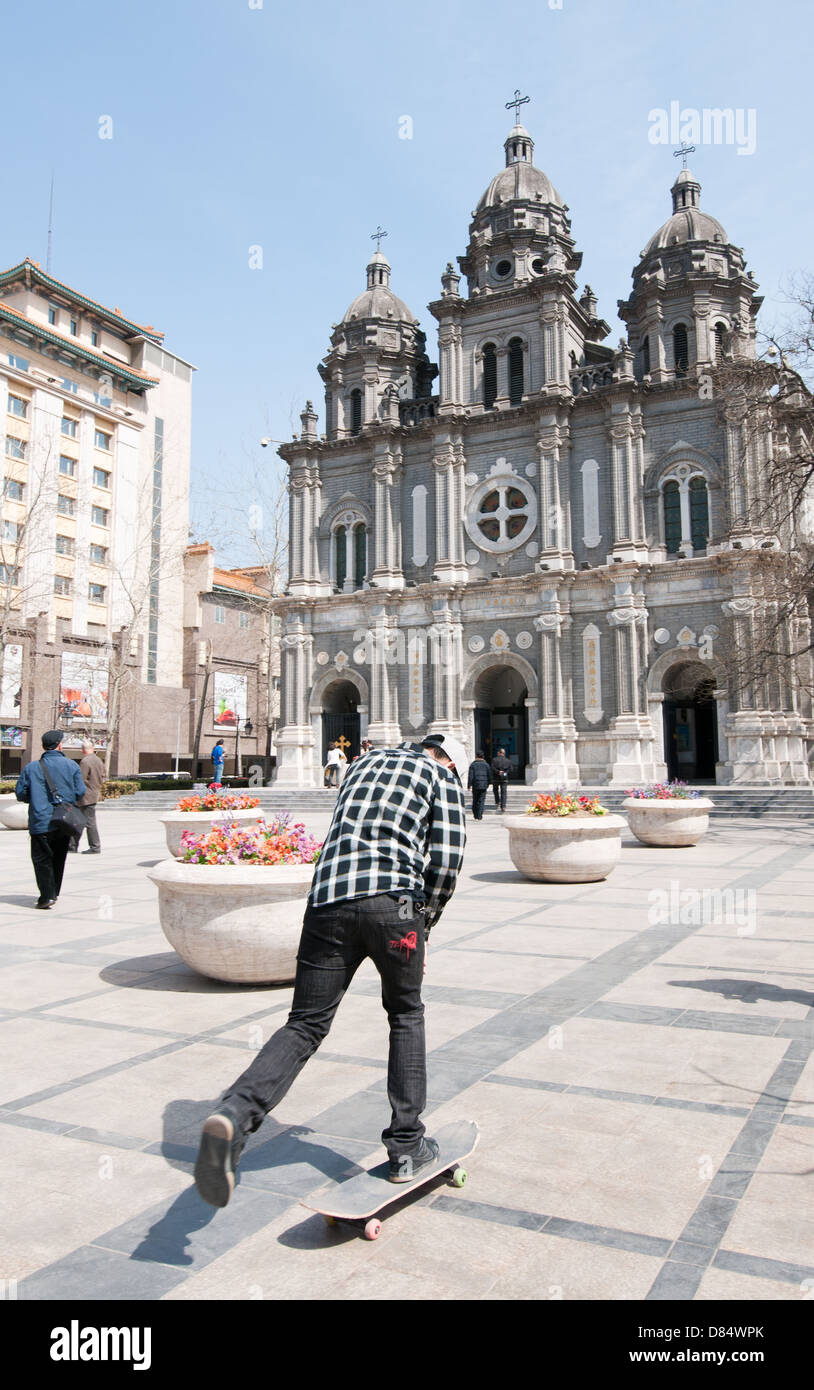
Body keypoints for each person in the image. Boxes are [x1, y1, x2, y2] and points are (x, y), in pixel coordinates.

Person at [193, 732, 468, 1208]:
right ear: (449, 763)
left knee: (305, 1023)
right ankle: (406, 1146)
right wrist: (425, 921)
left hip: (328, 903)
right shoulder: (438, 777)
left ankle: (236, 1113)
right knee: (405, 1013)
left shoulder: (362, 765)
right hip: (394, 906)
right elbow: (446, 860)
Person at [15, 730, 86, 909]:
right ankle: (53, 892)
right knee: (59, 856)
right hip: (63, 821)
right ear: (60, 744)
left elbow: (20, 793)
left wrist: (35, 798)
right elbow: (80, 792)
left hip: (40, 820)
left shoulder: (31, 767)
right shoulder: (71, 766)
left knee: (41, 859)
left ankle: (47, 895)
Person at [73, 740, 105, 853]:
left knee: (87, 822)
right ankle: (73, 845)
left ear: (82, 750)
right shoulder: (98, 760)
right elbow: (102, 776)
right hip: (94, 793)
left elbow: (80, 779)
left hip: (85, 796)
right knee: (81, 821)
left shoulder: (85, 761)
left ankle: (94, 847)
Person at [467, 749, 491, 820]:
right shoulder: (486, 765)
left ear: (476, 756)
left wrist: (469, 785)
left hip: (475, 785)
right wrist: (489, 783)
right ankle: (480, 815)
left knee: (475, 800)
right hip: (484, 785)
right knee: (481, 800)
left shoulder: (473, 765)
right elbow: (489, 775)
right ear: (483, 756)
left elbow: (470, 776)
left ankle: (475, 815)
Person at [491, 746, 512, 812]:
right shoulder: (508, 761)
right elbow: (511, 770)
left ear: (499, 753)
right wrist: (505, 773)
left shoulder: (494, 760)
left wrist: (498, 772)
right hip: (504, 779)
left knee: (495, 790)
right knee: (504, 792)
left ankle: (497, 801)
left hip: (496, 778)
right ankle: (503, 806)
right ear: (504, 753)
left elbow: (492, 768)